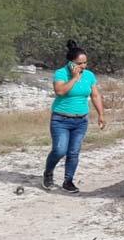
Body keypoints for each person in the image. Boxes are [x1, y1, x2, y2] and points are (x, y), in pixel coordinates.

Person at [42, 40, 106, 193]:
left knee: (73, 152)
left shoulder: (89, 75)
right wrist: (74, 78)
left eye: (85, 63)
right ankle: (48, 173)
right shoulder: (60, 73)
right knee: (59, 150)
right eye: (79, 63)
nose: (83, 66)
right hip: (61, 119)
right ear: (71, 62)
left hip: (81, 120)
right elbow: (60, 91)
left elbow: (95, 95)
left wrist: (101, 115)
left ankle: (68, 181)